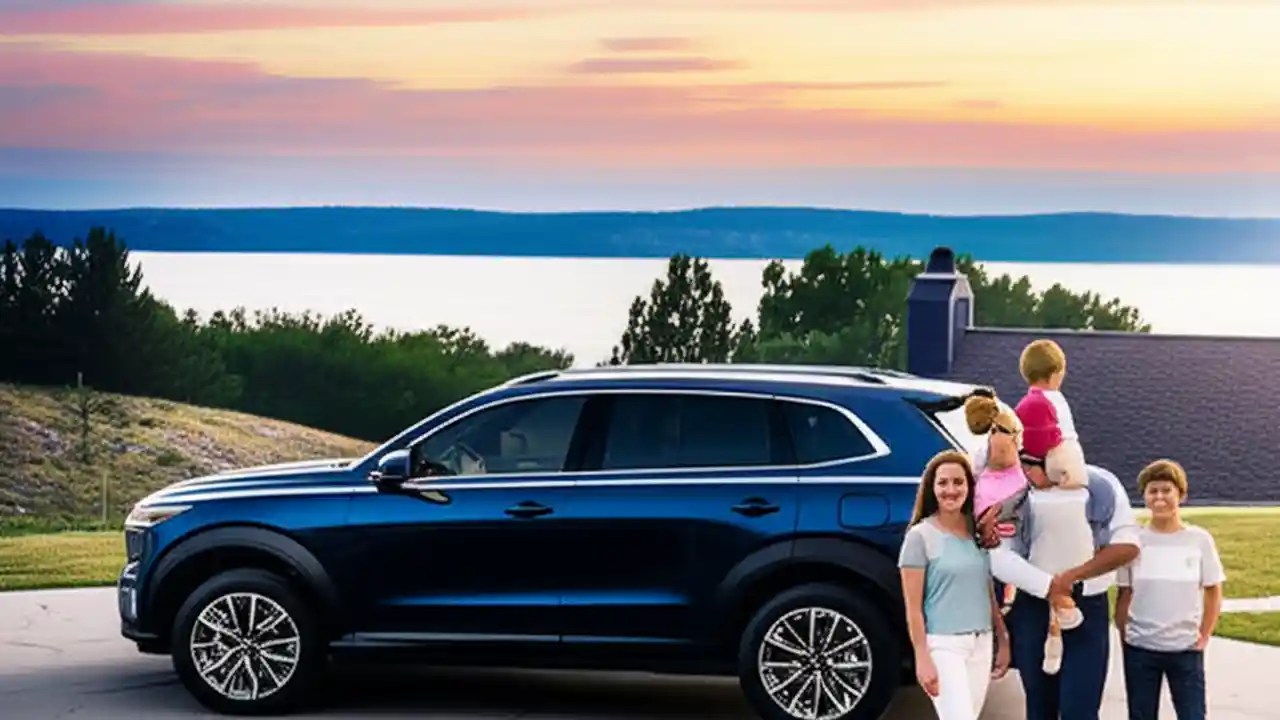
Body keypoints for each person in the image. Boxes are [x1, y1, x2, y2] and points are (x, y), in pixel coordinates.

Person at [981, 454, 1141, 720]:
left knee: (1080, 709)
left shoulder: (1098, 485)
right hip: (1033, 606)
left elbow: (1127, 545)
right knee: (1040, 705)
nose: (1025, 471)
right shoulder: (1016, 492)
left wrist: (1070, 578)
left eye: (1031, 463)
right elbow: (998, 554)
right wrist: (1048, 586)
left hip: (1085, 606)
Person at [899, 450, 1011, 720]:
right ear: (932, 488)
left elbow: (986, 590)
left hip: (981, 643)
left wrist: (1002, 638)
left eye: (958, 482)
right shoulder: (919, 537)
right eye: (943, 483)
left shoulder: (978, 534)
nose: (951, 490)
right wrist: (922, 657)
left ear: (969, 487)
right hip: (944, 646)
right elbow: (913, 608)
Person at [1115, 459, 1225, 720]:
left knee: (1192, 714)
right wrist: (1125, 636)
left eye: (1167, 490)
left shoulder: (1199, 540)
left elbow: (1213, 589)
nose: (1160, 497)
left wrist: (1204, 635)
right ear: (1144, 497)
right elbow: (1124, 593)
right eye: (1153, 491)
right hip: (1141, 648)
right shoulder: (1133, 543)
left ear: (1181, 495)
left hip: (1185, 649)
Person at [1013, 338, 1092, 641]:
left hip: (1063, 484)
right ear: (1058, 371)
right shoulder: (1042, 402)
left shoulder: (1039, 401)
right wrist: (1046, 473)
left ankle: (1057, 620)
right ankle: (1059, 610)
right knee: (1054, 554)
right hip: (1057, 488)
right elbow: (1042, 444)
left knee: (1059, 552)